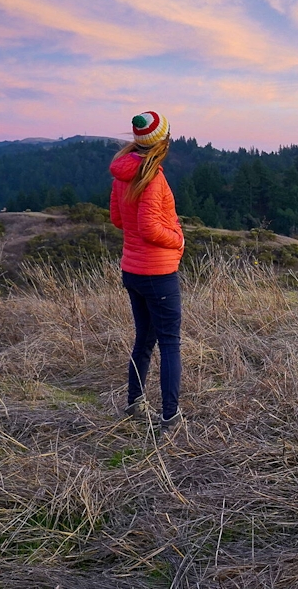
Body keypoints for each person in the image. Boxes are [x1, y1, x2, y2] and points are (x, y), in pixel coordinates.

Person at [109, 110, 186, 432]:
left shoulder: (123, 174)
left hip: (133, 270)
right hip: (158, 272)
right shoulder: (153, 177)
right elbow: (149, 228)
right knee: (170, 342)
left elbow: (118, 220)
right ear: (162, 142)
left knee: (145, 339)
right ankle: (170, 416)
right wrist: (178, 238)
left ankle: (135, 401)